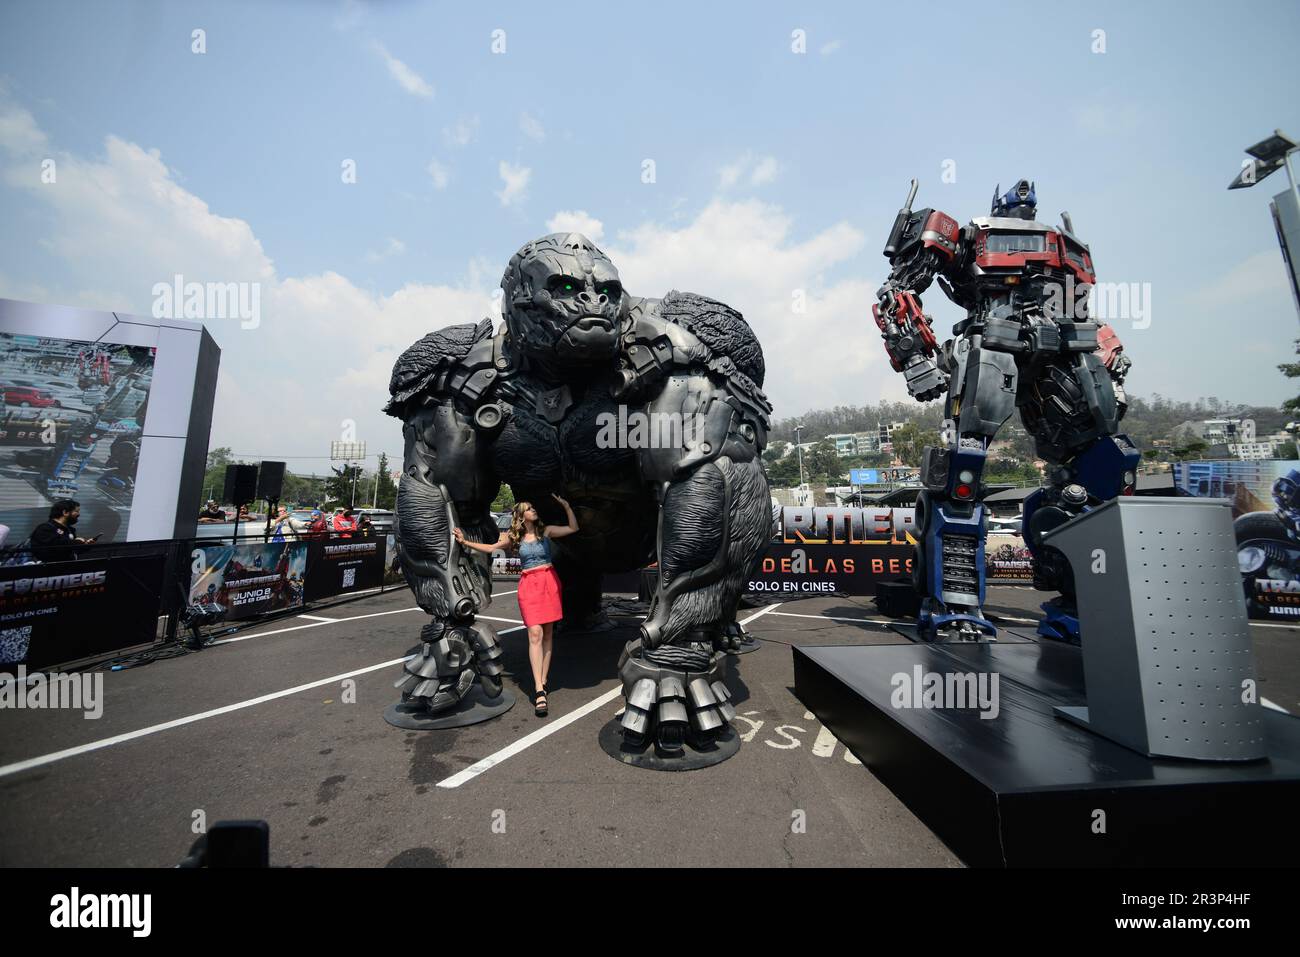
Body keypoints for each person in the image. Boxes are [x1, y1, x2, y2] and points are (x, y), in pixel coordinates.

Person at [454, 493, 578, 717]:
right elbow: (492, 548)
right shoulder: (515, 537)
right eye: (529, 508)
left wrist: (567, 507)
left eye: (533, 507)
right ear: (521, 516)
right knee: (534, 634)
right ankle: (539, 690)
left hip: (549, 582)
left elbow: (572, 528)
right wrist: (464, 541)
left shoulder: (546, 531)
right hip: (529, 585)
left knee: (548, 634)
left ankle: (542, 680)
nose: (534, 510)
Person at [29, 499, 99, 562]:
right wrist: (76, 542)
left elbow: (71, 550)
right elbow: (55, 548)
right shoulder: (45, 528)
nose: (78, 514)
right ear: (65, 512)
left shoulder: (70, 530)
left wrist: (85, 546)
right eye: (76, 511)